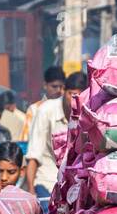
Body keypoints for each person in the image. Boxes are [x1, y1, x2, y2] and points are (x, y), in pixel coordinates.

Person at [24, 69, 83, 200]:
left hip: (76, 186)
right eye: (71, 94)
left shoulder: (87, 113)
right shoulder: (45, 110)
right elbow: (34, 154)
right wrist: (31, 192)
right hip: (46, 182)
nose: (74, 100)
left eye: (79, 96)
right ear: (63, 91)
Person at [21, 65, 65, 141]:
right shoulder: (34, 110)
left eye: (61, 87)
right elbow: (25, 139)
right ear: (45, 85)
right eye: (54, 86)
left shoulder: (67, 109)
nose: (58, 90)